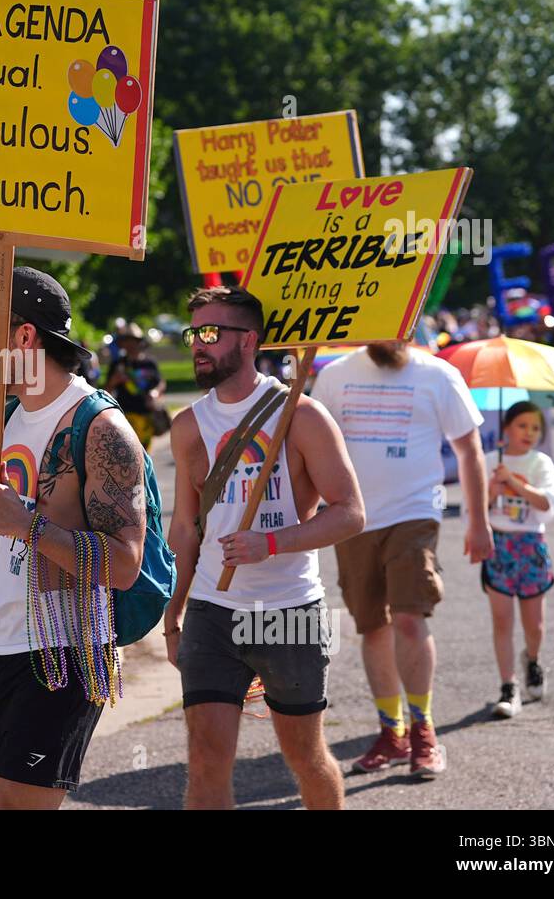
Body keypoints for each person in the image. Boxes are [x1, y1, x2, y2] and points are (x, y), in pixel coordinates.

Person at [0, 266, 147, 810]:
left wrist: (29, 525)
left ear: (24, 336)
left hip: (64, 651)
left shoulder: (101, 429)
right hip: (2, 649)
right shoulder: (7, 421)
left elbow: (125, 565)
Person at [163, 286, 364, 810]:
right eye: (193, 335)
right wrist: (173, 613)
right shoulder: (188, 426)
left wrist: (269, 542)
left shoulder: (300, 414)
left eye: (210, 333)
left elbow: (349, 513)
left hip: (289, 611)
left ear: (248, 340)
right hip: (212, 610)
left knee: (304, 755)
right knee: (207, 758)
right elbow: (185, 531)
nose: (197, 346)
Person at [312, 341, 493, 779]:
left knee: (410, 617)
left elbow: (469, 450)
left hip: (416, 512)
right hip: (352, 518)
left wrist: (478, 522)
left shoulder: (438, 374)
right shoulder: (334, 375)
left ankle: (423, 731)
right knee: (373, 626)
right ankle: (391, 733)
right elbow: (310, 449)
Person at [483, 402, 554, 718]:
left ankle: (532, 658)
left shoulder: (541, 463)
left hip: (530, 546)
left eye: (535, 427)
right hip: (498, 547)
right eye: (522, 425)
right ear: (506, 429)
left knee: (535, 624)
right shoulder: (488, 461)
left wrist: (514, 484)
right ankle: (507, 686)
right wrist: (491, 488)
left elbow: (547, 506)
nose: (529, 433)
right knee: (502, 620)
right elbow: (476, 509)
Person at [105, 323, 166, 452]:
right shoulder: (118, 364)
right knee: (129, 453)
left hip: (146, 415)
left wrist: (155, 392)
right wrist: (114, 381)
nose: (130, 344)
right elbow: (106, 391)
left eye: (132, 340)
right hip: (125, 416)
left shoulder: (150, 363)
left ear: (139, 342)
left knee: (145, 454)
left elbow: (160, 382)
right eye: (126, 341)